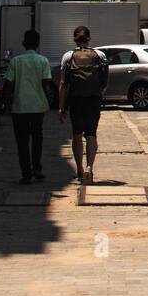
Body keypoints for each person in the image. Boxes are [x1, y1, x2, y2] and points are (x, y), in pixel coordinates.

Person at [58, 25, 109, 184]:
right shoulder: (100, 55)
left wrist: (61, 107)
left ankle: (79, 169)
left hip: (76, 99)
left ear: (74, 39)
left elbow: (63, 83)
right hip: (93, 99)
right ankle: (90, 168)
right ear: (89, 38)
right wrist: (99, 94)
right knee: (91, 134)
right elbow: (105, 81)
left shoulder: (68, 56)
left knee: (77, 135)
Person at [4, 30, 54, 184]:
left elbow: (8, 84)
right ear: (37, 44)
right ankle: (37, 169)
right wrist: (49, 96)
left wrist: (4, 100)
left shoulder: (15, 61)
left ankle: (26, 173)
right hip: (38, 106)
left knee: (22, 142)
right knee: (37, 139)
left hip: (19, 107)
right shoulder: (43, 61)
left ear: (24, 43)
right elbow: (46, 83)